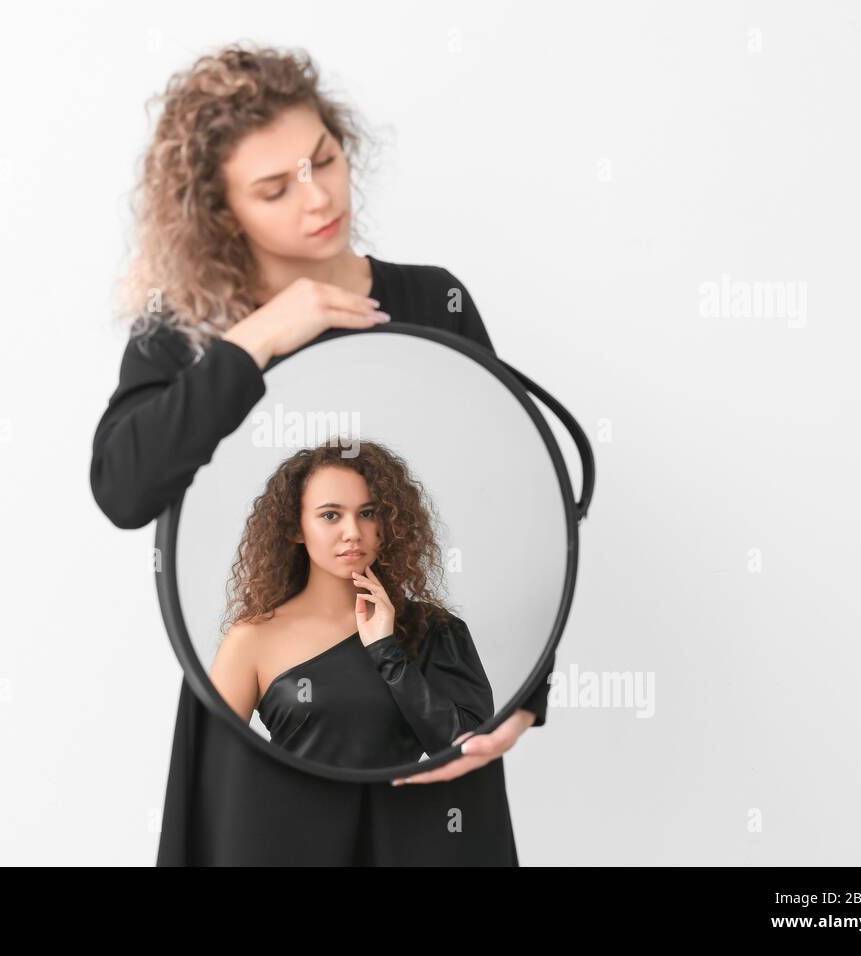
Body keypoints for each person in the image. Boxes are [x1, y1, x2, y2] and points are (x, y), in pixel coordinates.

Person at [91, 42, 556, 865]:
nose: (318, 198)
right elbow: (124, 487)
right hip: (267, 765)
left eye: (325, 160)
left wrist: (524, 701)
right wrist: (257, 336)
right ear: (220, 211)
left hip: (432, 757)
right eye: (274, 188)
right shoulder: (188, 331)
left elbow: (535, 495)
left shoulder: (431, 299)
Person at [212, 440, 496, 770]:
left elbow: (471, 751)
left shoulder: (436, 631)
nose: (352, 532)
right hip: (290, 820)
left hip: (401, 821)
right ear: (295, 528)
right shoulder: (252, 638)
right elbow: (214, 769)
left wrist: (387, 653)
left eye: (368, 513)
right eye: (330, 515)